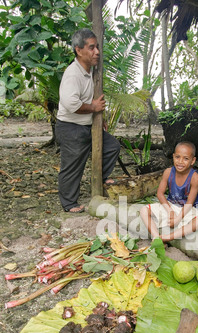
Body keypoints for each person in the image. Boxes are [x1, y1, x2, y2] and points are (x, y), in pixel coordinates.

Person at [55, 28, 120, 213]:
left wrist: (99, 118)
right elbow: (70, 104)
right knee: (72, 166)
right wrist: (93, 108)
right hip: (70, 128)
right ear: (78, 50)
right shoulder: (72, 74)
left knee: (112, 146)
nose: (97, 52)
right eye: (91, 48)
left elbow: (93, 98)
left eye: (97, 47)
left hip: (87, 124)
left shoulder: (92, 71)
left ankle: (101, 177)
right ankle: (69, 203)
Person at [140, 141, 198, 242]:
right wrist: (169, 211)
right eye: (177, 157)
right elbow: (160, 194)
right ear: (173, 156)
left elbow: (190, 203)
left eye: (186, 158)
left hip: (186, 210)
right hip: (169, 206)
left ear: (193, 160)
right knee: (144, 210)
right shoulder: (168, 172)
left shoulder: (194, 177)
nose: (180, 161)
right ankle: (156, 237)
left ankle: (167, 237)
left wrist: (178, 219)